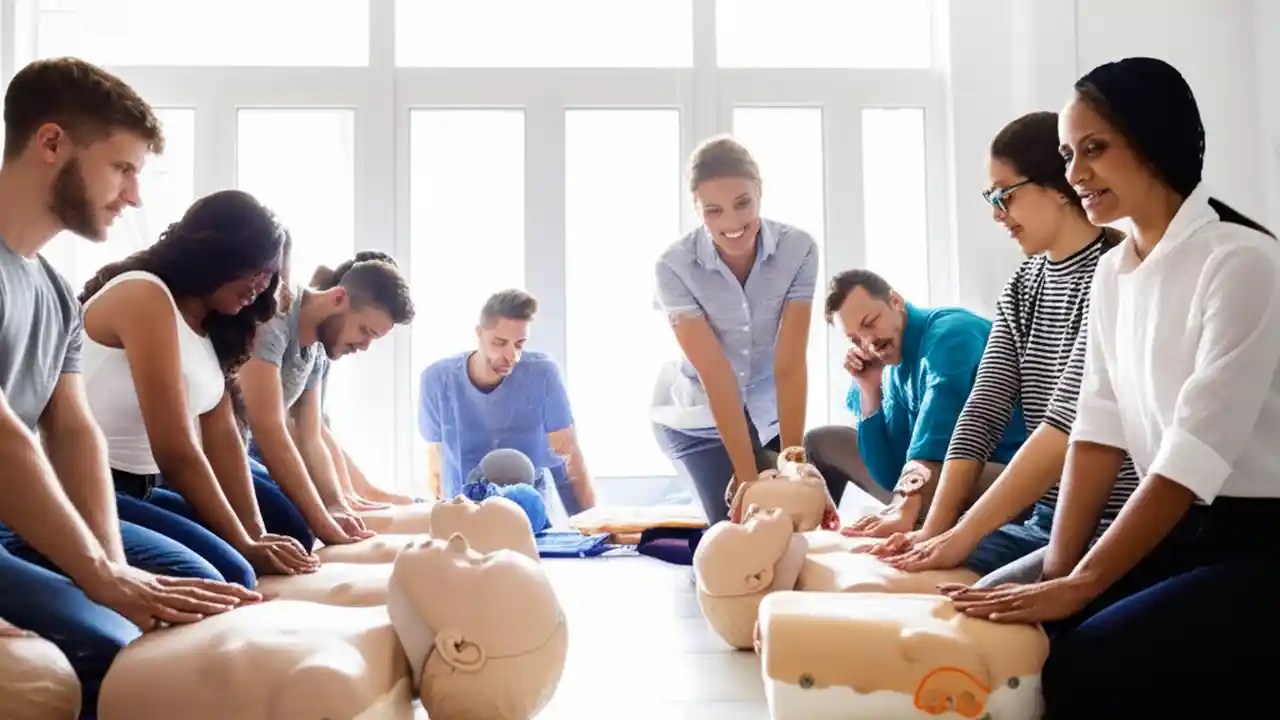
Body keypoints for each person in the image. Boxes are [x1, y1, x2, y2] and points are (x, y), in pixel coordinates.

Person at [941, 57, 1280, 717]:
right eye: (1068, 154)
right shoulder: (1114, 273)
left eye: (1094, 149)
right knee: (985, 629)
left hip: (1254, 542)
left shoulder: (1241, 262)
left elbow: (1193, 454)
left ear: (1154, 140)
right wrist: (1061, 570)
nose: (1074, 173)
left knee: (1085, 663)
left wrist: (1082, 584)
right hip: (1173, 532)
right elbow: (1097, 432)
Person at [0, 57, 256, 714]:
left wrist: (114, 565)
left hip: (12, 521)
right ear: (51, 142)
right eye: (123, 168)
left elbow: (72, 430)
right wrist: (101, 581)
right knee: (99, 643)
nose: (135, 196)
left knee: (195, 599)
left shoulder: (55, 292)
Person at [860, 112, 1140, 583]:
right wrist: (935, 529)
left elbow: (1063, 430)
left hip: (1108, 528)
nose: (996, 212)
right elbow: (981, 413)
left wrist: (960, 536)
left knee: (962, 595)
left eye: (1004, 194)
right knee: (910, 577)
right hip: (1042, 521)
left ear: (1057, 185)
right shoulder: (1023, 284)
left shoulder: (1113, 276)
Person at [78, 190, 319, 587]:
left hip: (145, 489)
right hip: (92, 485)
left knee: (276, 543)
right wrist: (242, 542)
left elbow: (223, 438)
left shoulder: (213, 326)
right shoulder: (144, 294)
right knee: (233, 572)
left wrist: (254, 532)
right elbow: (174, 448)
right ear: (216, 255)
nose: (262, 285)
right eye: (254, 269)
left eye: (269, 273)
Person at [651, 135, 836, 527]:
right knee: (741, 528)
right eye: (713, 211)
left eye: (742, 204)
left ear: (760, 193)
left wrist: (793, 468)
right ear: (697, 210)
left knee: (794, 512)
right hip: (700, 420)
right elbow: (717, 377)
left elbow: (789, 365)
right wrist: (748, 480)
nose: (732, 223)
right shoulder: (674, 267)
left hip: (767, 416)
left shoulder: (798, 250)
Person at [816, 270, 1026, 537]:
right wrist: (870, 388)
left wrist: (905, 502)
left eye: (870, 322)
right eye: (855, 339)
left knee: (931, 482)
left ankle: (916, 519)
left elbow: (939, 425)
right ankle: (821, 542)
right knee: (820, 442)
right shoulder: (891, 365)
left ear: (895, 301)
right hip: (934, 471)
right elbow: (889, 472)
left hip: (1009, 472)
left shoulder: (952, 333)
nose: (868, 342)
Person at [239, 250, 415, 550]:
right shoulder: (276, 321)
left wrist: (337, 504)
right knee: (298, 528)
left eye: (374, 338)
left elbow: (312, 436)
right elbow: (271, 430)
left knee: (304, 524)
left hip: (246, 451)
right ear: (338, 299)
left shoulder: (320, 347)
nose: (364, 346)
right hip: (226, 450)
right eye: (364, 331)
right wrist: (322, 520)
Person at [418, 289, 598, 516]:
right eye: (500, 342)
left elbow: (568, 457)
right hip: (464, 514)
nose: (511, 355)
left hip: (528, 517)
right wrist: (441, 521)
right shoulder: (437, 380)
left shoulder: (542, 374)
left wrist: (592, 526)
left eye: (519, 344)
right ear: (479, 333)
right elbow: (436, 459)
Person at [310, 256, 419, 510]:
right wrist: (345, 496)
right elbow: (296, 430)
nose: (364, 346)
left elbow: (316, 430)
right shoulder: (306, 340)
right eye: (364, 331)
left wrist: (353, 493)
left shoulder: (319, 353)